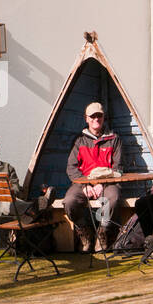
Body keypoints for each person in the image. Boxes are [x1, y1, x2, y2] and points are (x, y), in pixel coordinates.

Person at [63, 103, 122, 251]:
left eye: (99, 115)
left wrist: (102, 184)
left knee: (113, 199)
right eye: (92, 116)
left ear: (103, 117)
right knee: (70, 202)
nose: (96, 119)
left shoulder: (114, 139)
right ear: (86, 119)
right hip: (83, 182)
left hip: (108, 183)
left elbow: (118, 168)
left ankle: (103, 232)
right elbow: (71, 167)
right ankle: (85, 232)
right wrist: (85, 185)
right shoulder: (79, 141)